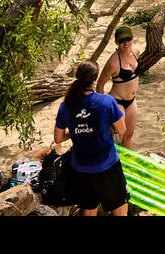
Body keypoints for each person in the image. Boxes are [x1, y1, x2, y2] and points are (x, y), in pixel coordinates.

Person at [52, 61, 129, 216]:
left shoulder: (66, 105)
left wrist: (75, 132)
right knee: (119, 207)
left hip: (80, 167)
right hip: (107, 164)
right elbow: (122, 130)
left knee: (88, 209)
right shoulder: (106, 101)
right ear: (95, 80)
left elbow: (58, 138)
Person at [97, 25, 139, 150]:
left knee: (128, 135)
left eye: (128, 39)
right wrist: (103, 106)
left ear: (133, 39)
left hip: (132, 101)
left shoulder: (136, 53)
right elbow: (100, 84)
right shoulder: (113, 63)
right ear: (116, 42)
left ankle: (128, 163)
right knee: (119, 133)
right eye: (121, 41)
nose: (126, 43)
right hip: (117, 100)